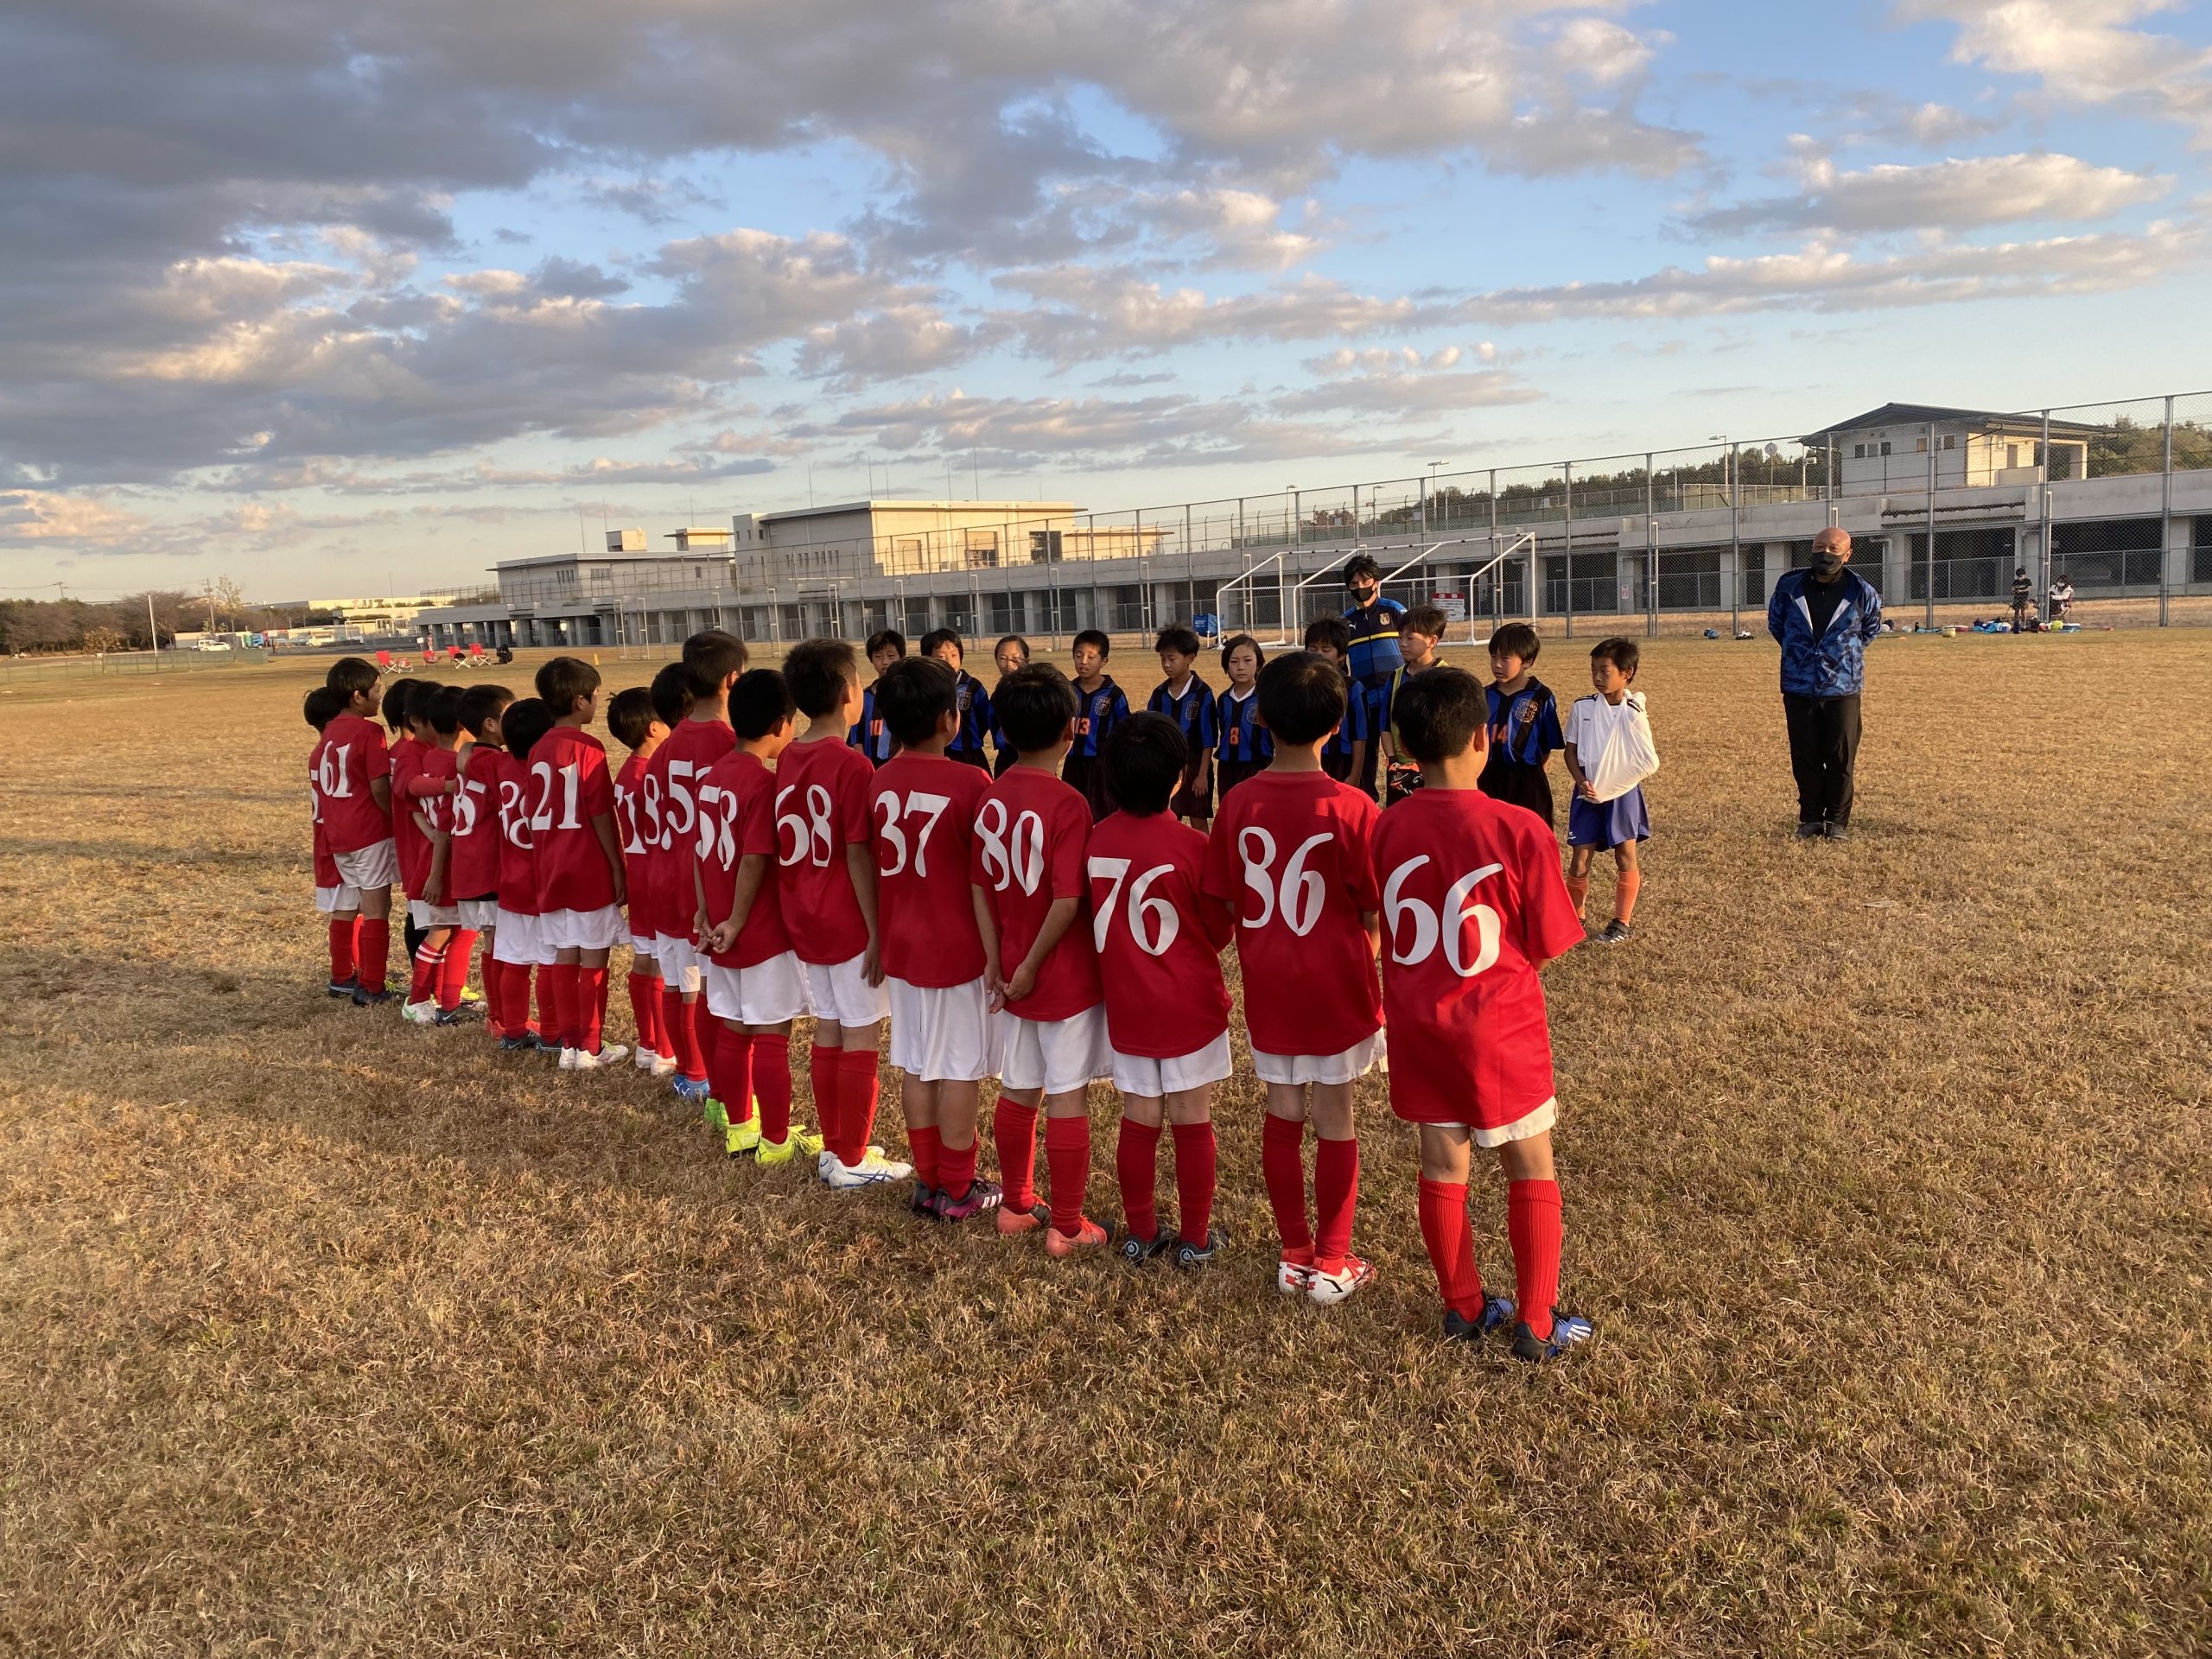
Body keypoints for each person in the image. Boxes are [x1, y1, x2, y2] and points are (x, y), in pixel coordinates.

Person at [1371, 666, 1595, 1362]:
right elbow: (1551, 942)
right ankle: (1535, 1321)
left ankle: (1463, 1308)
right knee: (1530, 1163)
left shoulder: (1386, 827)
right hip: (1500, 1027)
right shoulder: (1518, 826)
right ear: (1484, 737)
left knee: (1442, 1161)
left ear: (1404, 745)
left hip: (1418, 1024)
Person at [1201, 650, 1383, 1306]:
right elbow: (1373, 908)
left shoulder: (1240, 803)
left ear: (1261, 724)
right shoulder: (1356, 807)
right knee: (1336, 1117)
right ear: (1337, 725)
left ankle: (1294, 1255)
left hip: (1270, 983)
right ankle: (1333, 1261)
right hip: (1338, 986)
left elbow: (1220, 900)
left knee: (1282, 1112)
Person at [971, 665, 1111, 1255]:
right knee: (1067, 1094)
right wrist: (1030, 965)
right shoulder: (1068, 803)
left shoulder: (990, 795)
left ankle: (1017, 1204)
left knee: (1020, 1088)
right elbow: (1068, 897)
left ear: (1001, 732)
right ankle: (1070, 1226)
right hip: (1060, 974)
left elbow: (979, 887)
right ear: (1069, 734)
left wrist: (996, 960)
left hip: (1009, 969)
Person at [1091, 715, 1234, 1269]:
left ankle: (1141, 1233)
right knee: (1193, 1117)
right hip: (1189, 1004)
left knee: (1140, 1115)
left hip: (1127, 1005)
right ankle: (1195, 1238)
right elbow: (1220, 929)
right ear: (1179, 778)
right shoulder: (1192, 845)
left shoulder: (1096, 840)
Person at [775, 639, 911, 1190]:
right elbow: (857, 853)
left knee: (829, 1027)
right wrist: (877, 932)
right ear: (848, 695)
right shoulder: (852, 765)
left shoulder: (788, 755)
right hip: (845, 918)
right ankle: (851, 1157)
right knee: (859, 1034)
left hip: (803, 913)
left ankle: (837, 1146)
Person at [870, 656, 1001, 1222]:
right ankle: (958, 1184)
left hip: (903, 943)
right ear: (952, 719)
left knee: (918, 1064)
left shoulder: (879, 779)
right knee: (959, 1069)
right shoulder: (971, 781)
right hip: (956, 948)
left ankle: (927, 1181)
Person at [697, 671, 822, 1166]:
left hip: (719, 926)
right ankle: (773, 1141)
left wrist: (707, 910)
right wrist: (739, 919)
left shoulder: (712, 778)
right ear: (781, 724)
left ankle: (739, 1128)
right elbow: (754, 858)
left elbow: (697, 850)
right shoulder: (764, 784)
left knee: (733, 1028)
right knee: (771, 1033)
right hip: (758, 929)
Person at [650, 631, 746, 1122]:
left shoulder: (668, 744)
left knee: (680, 981)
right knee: (714, 992)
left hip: (670, 873)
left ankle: (695, 1074)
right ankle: (719, 1091)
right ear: (734, 680)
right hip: (711, 880)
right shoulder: (732, 745)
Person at [531, 656, 629, 1070]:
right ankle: (591, 1046)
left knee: (563, 957)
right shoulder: (587, 748)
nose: (595, 706)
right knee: (593, 958)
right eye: (593, 698)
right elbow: (600, 812)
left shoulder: (537, 747)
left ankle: (569, 1046)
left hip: (550, 866)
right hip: (586, 865)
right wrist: (616, 865)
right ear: (578, 701)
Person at [1767, 525, 1882, 842]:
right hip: (1798, 685)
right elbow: (1777, 625)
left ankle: (1838, 822)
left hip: (1842, 688)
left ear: (1847, 554)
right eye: (1820, 546)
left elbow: (1869, 631)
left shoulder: (1861, 591)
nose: (1826, 553)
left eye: (1834, 549)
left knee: (1841, 758)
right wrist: (1801, 655)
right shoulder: (1789, 586)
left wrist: (1841, 656)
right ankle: (1810, 819)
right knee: (1805, 755)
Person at [315, 657, 398, 1006]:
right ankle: (373, 985)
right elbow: (380, 786)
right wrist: (393, 819)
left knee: (348, 905)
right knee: (378, 906)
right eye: (377, 690)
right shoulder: (370, 732)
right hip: (368, 831)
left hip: (338, 832)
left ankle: (341, 977)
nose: (380, 696)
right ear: (357, 695)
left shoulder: (329, 731)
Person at [1562, 639, 1654, 945]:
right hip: (1586, 791)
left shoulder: (1633, 711)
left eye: (1605, 671)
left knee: (1625, 854)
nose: (1597, 677)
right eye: (1593, 671)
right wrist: (1579, 780)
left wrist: (1616, 783)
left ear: (1627, 673)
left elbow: (1646, 759)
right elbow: (1570, 752)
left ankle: (1621, 922)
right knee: (1579, 860)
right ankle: (1575, 920)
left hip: (1622, 792)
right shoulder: (1582, 707)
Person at [607, 686, 673, 1075]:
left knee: (646, 958)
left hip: (637, 870)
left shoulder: (626, 771)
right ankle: (665, 1049)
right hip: (658, 873)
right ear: (653, 728)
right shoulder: (653, 774)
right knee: (664, 963)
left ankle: (649, 1044)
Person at [401, 685, 475, 1026]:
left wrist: (429, 834)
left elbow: (414, 795)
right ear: (463, 725)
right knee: (452, 933)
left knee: (448, 931)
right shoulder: (455, 769)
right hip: (445, 865)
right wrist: (435, 867)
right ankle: (429, 1000)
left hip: (435, 858)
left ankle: (443, 1000)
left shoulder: (429, 757)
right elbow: (447, 827)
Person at [488, 695, 555, 1052]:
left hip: (510, 881)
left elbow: (470, 761)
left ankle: (513, 1030)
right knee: (549, 962)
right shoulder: (547, 770)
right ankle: (553, 1031)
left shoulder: (497, 765)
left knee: (514, 960)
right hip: (543, 881)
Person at [450, 683, 513, 1040]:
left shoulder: (472, 756)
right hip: (486, 867)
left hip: (471, 866)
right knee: (499, 944)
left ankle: (499, 1014)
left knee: (495, 942)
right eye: (510, 712)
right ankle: (501, 1016)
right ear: (490, 724)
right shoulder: (495, 762)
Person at [302, 685, 360, 998]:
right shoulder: (331, 751)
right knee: (346, 907)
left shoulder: (322, 750)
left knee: (356, 905)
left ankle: (355, 969)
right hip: (336, 836)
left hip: (333, 834)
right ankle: (341, 974)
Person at [1479, 622, 1565, 828]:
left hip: (1527, 780)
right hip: (1487, 777)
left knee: (1528, 836)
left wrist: (1531, 773)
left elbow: (1545, 747)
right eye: (1493, 657)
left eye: (1505, 658)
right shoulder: (1483, 695)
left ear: (1527, 661)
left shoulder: (1541, 697)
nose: (1497, 664)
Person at [1341, 553, 1408, 797]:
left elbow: (1414, 646)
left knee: (1400, 752)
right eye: (1354, 584)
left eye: (1365, 581)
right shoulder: (1346, 621)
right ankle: (1367, 801)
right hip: (1364, 700)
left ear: (1376, 582)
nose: (1360, 587)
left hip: (1395, 697)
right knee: (1365, 755)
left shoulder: (1395, 611)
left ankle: (1400, 801)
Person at [1147, 625, 1217, 826]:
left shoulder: (1202, 693)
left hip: (1195, 763)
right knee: (1167, 819)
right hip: (1167, 765)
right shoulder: (1159, 694)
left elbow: (1208, 739)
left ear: (1190, 658)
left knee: (1197, 818)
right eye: (1163, 659)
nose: (1167, 664)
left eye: (1172, 658)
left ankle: (1203, 858)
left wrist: (1202, 774)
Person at [1061, 629, 1131, 823]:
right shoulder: (1066, 690)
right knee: (1072, 814)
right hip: (1073, 764)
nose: (1083, 661)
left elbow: (1125, 730)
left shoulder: (1114, 694)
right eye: (1078, 655)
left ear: (1104, 661)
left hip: (1102, 765)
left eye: (1091, 657)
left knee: (1103, 813)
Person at [1381, 603, 1447, 804]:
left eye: (1410, 638)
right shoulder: (1395, 678)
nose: (1402, 643)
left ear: (1432, 641)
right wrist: (1393, 761)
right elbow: (1385, 724)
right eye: (1400, 637)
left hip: (1434, 771)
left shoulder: (1446, 678)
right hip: (1400, 770)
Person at [1302, 616, 1370, 787]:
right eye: (1313, 648)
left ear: (1341, 655)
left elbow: (1360, 737)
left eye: (1326, 650)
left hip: (1342, 762)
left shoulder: (1353, 688)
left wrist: (1355, 775)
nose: (1318, 655)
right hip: (1309, 761)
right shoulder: (1300, 686)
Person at [920, 628, 993, 771]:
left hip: (970, 754)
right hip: (938, 754)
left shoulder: (973, 686)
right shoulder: (925, 687)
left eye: (954, 655)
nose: (949, 661)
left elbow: (984, 719)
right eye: (941, 657)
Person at [1211, 633, 1271, 802]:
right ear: (1226, 666)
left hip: (1257, 763)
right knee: (1229, 808)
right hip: (1228, 765)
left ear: (1259, 663)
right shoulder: (1223, 699)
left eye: (1247, 660)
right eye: (1234, 662)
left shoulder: (1265, 697)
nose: (1241, 667)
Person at [850, 629, 905, 767]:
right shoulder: (865, 697)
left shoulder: (908, 695)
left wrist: (893, 764)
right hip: (869, 766)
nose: (885, 662)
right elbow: (856, 737)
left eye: (891, 656)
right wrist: (864, 764)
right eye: (878, 656)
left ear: (901, 656)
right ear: (871, 659)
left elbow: (912, 738)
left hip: (899, 765)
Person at [988, 634, 1030, 777]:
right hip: (1005, 760)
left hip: (1034, 760)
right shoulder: (997, 695)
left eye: (1015, 659)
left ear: (1027, 660)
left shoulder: (1038, 692)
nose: (1008, 664)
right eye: (1002, 658)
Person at [2011, 566, 2034, 632]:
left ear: (2024, 575)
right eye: (2018, 576)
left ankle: (2024, 625)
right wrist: (2015, 591)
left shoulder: (2027, 581)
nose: (2020, 578)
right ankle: (2016, 624)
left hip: (2024, 598)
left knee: (2023, 611)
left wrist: (2021, 591)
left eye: (2021, 576)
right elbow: (2012, 588)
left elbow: (2029, 589)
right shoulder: (2015, 582)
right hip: (2017, 598)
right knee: (2016, 611)